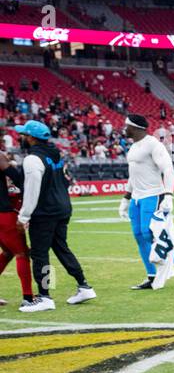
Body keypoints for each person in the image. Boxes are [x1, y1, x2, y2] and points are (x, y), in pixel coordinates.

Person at [11, 121, 95, 311]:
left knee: (40, 253)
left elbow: (33, 191)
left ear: (32, 138)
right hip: (63, 207)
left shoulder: (32, 159)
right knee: (61, 247)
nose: (21, 137)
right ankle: (84, 286)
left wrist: (23, 217)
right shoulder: (55, 152)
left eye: (24, 134)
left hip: (45, 212)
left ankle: (45, 297)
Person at [120, 113, 174, 289]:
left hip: (152, 195)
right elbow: (133, 174)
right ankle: (151, 275)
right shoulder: (134, 146)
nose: (124, 128)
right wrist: (126, 198)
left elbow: (167, 169)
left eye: (127, 125)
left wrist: (168, 195)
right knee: (139, 236)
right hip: (137, 197)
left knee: (150, 235)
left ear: (136, 128)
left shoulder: (153, 144)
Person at [0, 148, 33, 307]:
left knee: (7, 253)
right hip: (3, 214)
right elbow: (17, 177)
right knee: (21, 253)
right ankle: (28, 298)